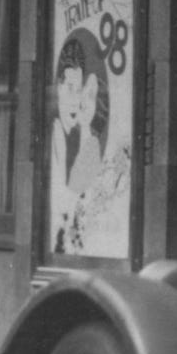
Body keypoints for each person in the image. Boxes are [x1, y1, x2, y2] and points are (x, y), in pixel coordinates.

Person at [50, 28, 129, 258]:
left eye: (80, 89)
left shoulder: (87, 145)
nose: (75, 100)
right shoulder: (57, 136)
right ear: (58, 87)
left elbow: (77, 193)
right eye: (70, 88)